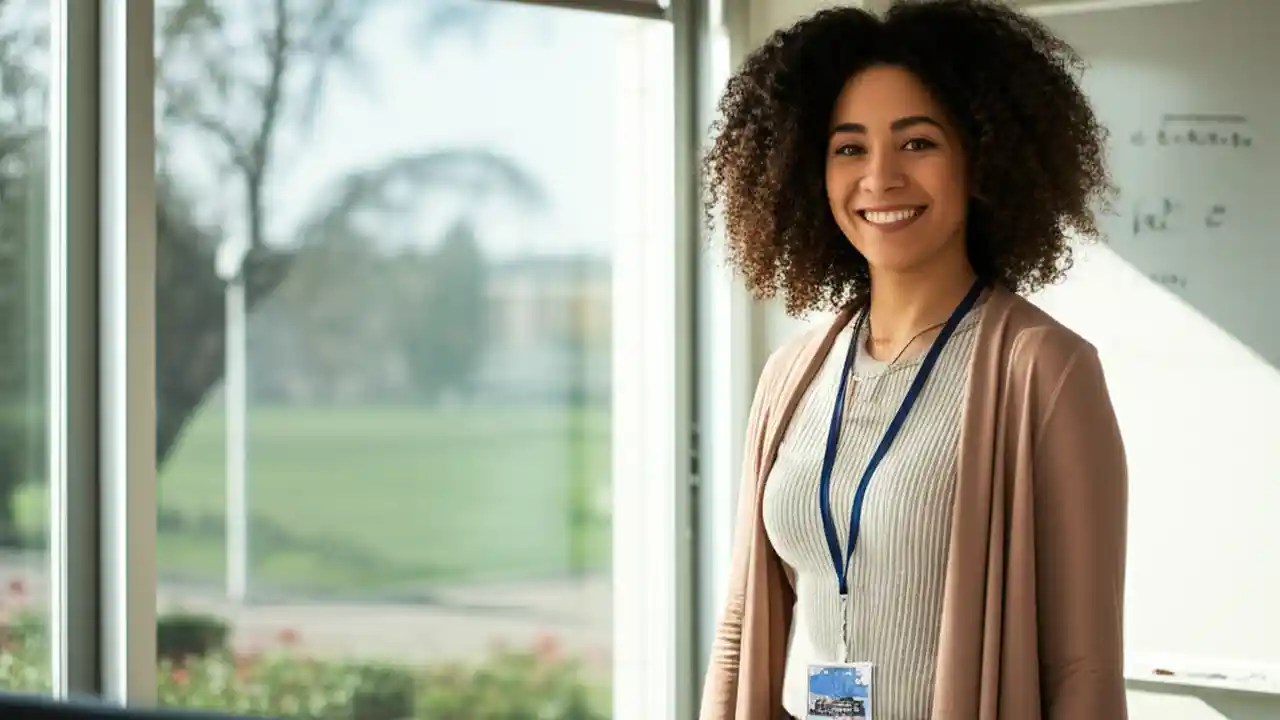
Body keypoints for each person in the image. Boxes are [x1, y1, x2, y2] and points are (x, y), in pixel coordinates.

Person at [698, 2, 1128, 719]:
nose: (881, 178)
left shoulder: (1045, 371)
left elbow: (1082, 668)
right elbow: (742, 628)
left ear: (981, 158)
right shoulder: (791, 377)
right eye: (849, 148)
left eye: (918, 143)